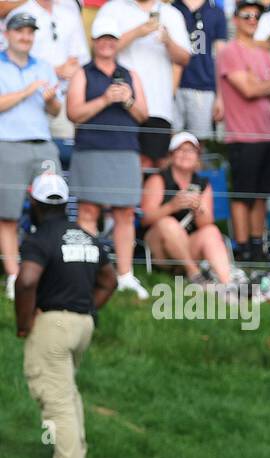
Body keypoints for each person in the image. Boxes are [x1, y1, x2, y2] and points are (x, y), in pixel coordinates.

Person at [14, 172, 117, 458]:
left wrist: (24, 323)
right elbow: (109, 280)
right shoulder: (85, 236)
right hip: (83, 325)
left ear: (35, 202)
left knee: (57, 399)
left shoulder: (39, 239)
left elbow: (27, 280)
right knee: (68, 394)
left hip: (54, 325)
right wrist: (88, 306)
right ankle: (75, 452)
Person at [66, 17, 151, 300]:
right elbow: (73, 114)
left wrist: (127, 100)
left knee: (125, 212)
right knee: (88, 211)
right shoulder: (83, 73)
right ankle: (85, 271)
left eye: (111, 39)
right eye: (101, 38)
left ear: (117, 43)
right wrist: (104, 99)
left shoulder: (131, 75)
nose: (106, 43)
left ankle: (125, 275)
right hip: (91, 148)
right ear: (94, 42)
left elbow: (143, 116)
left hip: (125, 149)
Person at [0, 12, 60, 302]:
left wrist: (50, 101)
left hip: (43, 144)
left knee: (52, 209)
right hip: (8, 144)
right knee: (8, 214)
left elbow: (55, 111)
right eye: (20, 31)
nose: (26, 37)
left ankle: (48, 270)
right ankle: (14, 276)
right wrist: (28, 90)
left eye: (30, 32)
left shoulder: (45, 67)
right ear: (7, 33)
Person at [93, 0, 191, 167]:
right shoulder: (112, 8)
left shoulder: (171, 13)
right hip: (118, 105)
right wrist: (137, 32)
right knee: (120, 164)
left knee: (152, 167)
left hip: (158, 106)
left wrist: (168, 41)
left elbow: (184, 58)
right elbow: (99, 49)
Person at [218, 0, 270, 265]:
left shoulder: (264, 53)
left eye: (256, 16)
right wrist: (269, 84)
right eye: (246, 15)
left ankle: (256, 244)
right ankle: (241, 246)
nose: (252, 20)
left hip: (268, 133)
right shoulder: (230, 51)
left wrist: (261, 83)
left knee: (261, 195)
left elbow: (263, 87)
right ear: (236, 20)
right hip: (243, 134)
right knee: (243, 194)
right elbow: (249, 90)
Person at [140, 132, 238, 290]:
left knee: (211, 231)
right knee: (167, 223)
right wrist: (171, 206)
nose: (186, 154)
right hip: (161, 250)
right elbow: (145, 219)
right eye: (180, 150)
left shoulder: (202, 183)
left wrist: (199, 208)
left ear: (197, 156)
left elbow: (206, 223)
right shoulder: (158, 180)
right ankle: (195, 275)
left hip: (188, 245)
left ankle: (227, 283)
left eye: (191, 150)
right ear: (171, 155)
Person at [10, 0, 91, 153]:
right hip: (26, 98)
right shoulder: (20, 11)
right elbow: (11, 57)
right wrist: (55, 70)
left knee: (64, 155)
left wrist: (70, 69)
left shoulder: (70, 10)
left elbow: (81, 57)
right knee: (25, 153)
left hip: (63, 98)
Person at [174, 0, 228, 141]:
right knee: (169, 143)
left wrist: (220, 97)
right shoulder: (172, 9)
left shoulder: (216, 12)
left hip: (204, 87)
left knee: (199, 145)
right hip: (172, 87)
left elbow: (221, 57)